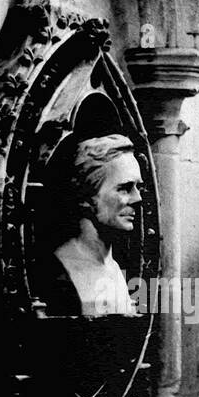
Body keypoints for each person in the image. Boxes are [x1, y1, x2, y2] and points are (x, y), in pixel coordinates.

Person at [39, 134, 143, 316]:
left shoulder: (114, 268)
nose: (137, 199)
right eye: (125, 188)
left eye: (138, 187)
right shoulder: (62, 268)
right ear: (86, 197)